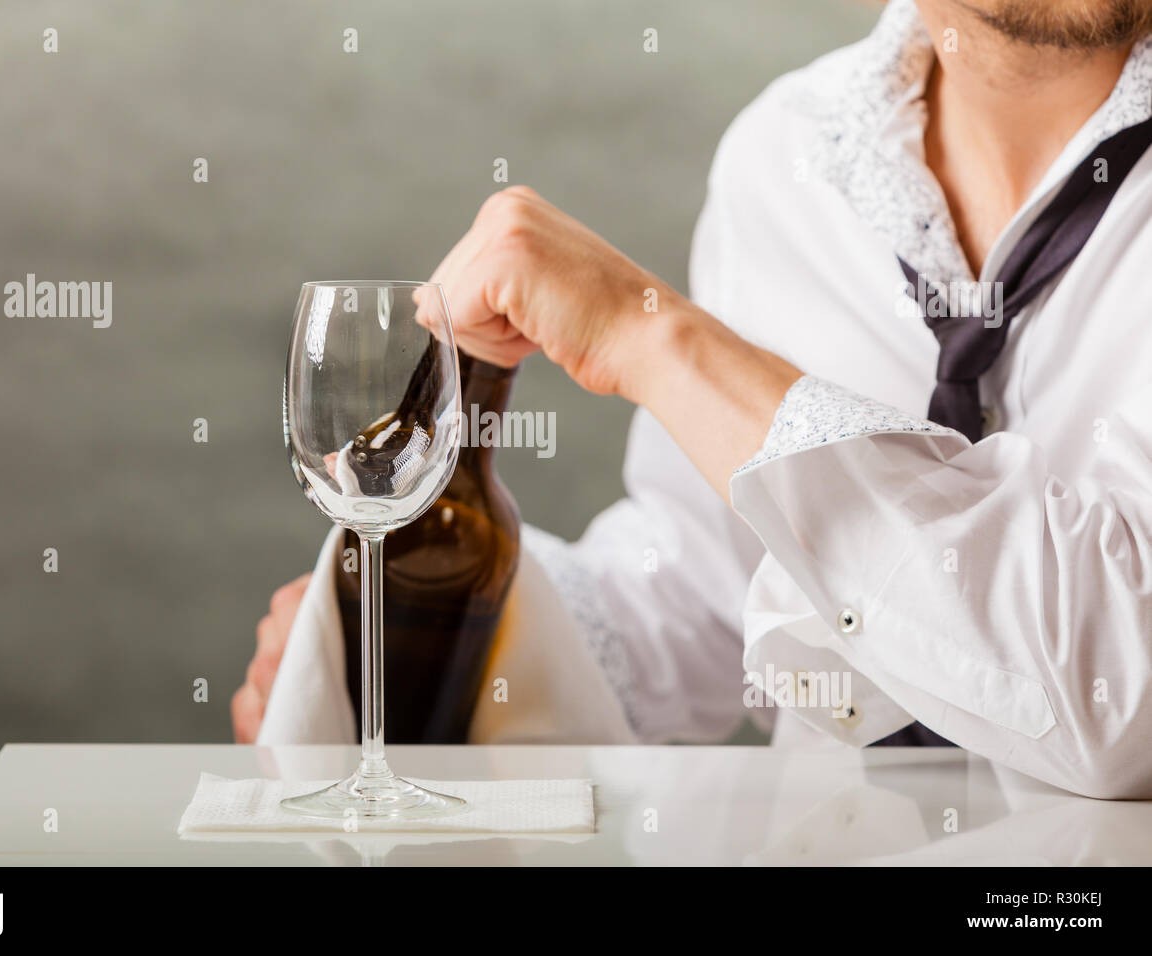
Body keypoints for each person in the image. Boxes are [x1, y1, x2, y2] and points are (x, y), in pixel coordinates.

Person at [235, 0, 1152, 798]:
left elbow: (1124, 696)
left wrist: (658, 343)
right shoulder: (785, 155)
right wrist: (414, 639)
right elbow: (713, 592)